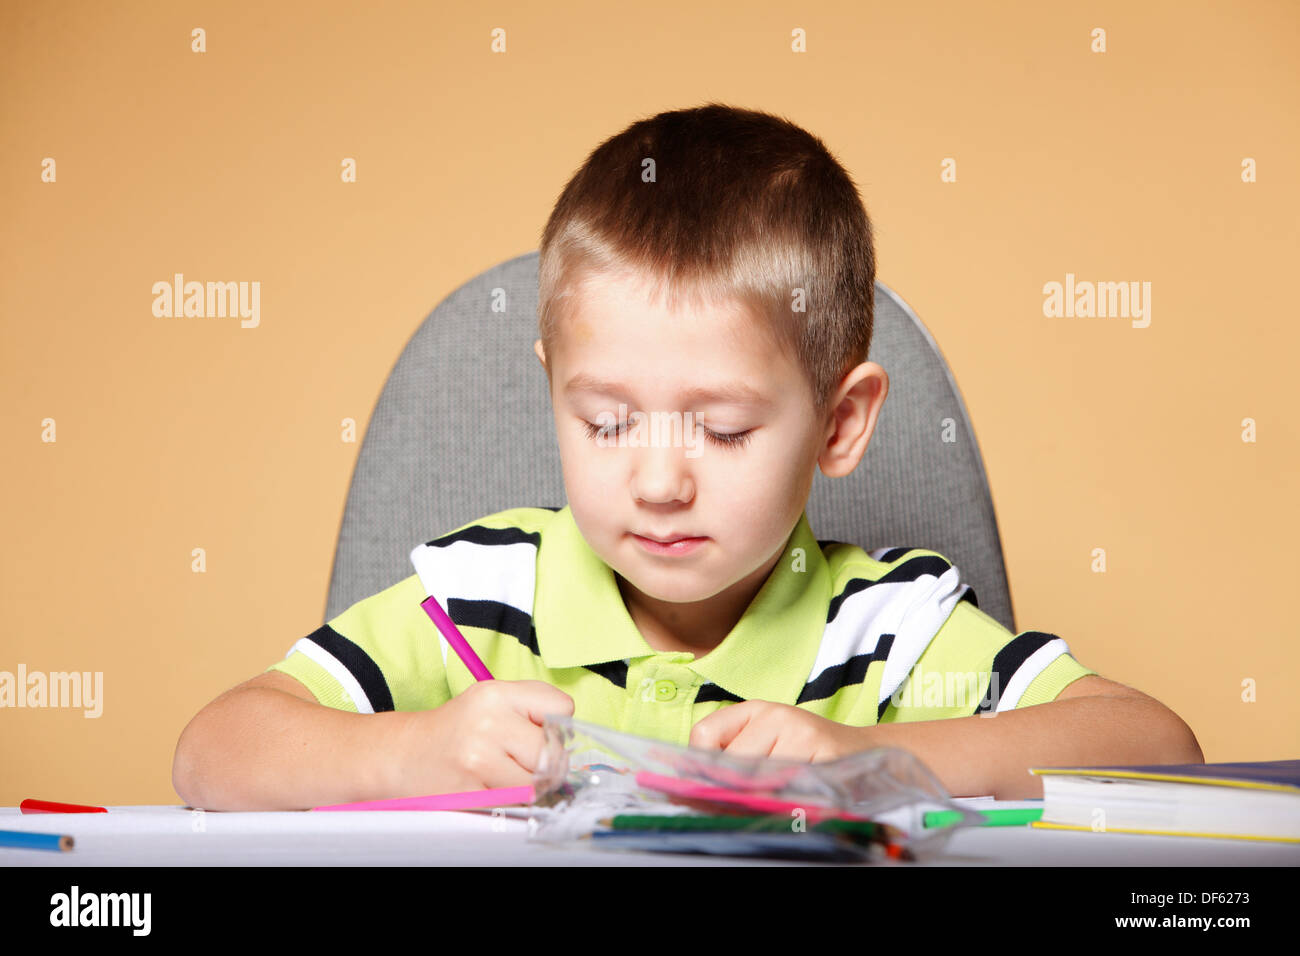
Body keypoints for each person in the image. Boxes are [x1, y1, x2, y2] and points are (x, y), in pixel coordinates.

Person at [172, 103, 1201, 811]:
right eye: (607, 422)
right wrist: (416, 749)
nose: (659, 480)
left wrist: (873, 758)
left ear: (840, 423)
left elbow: (1158, 748)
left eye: (722, 429)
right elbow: (213, 751)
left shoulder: (886, 631)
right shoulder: (481, 595)